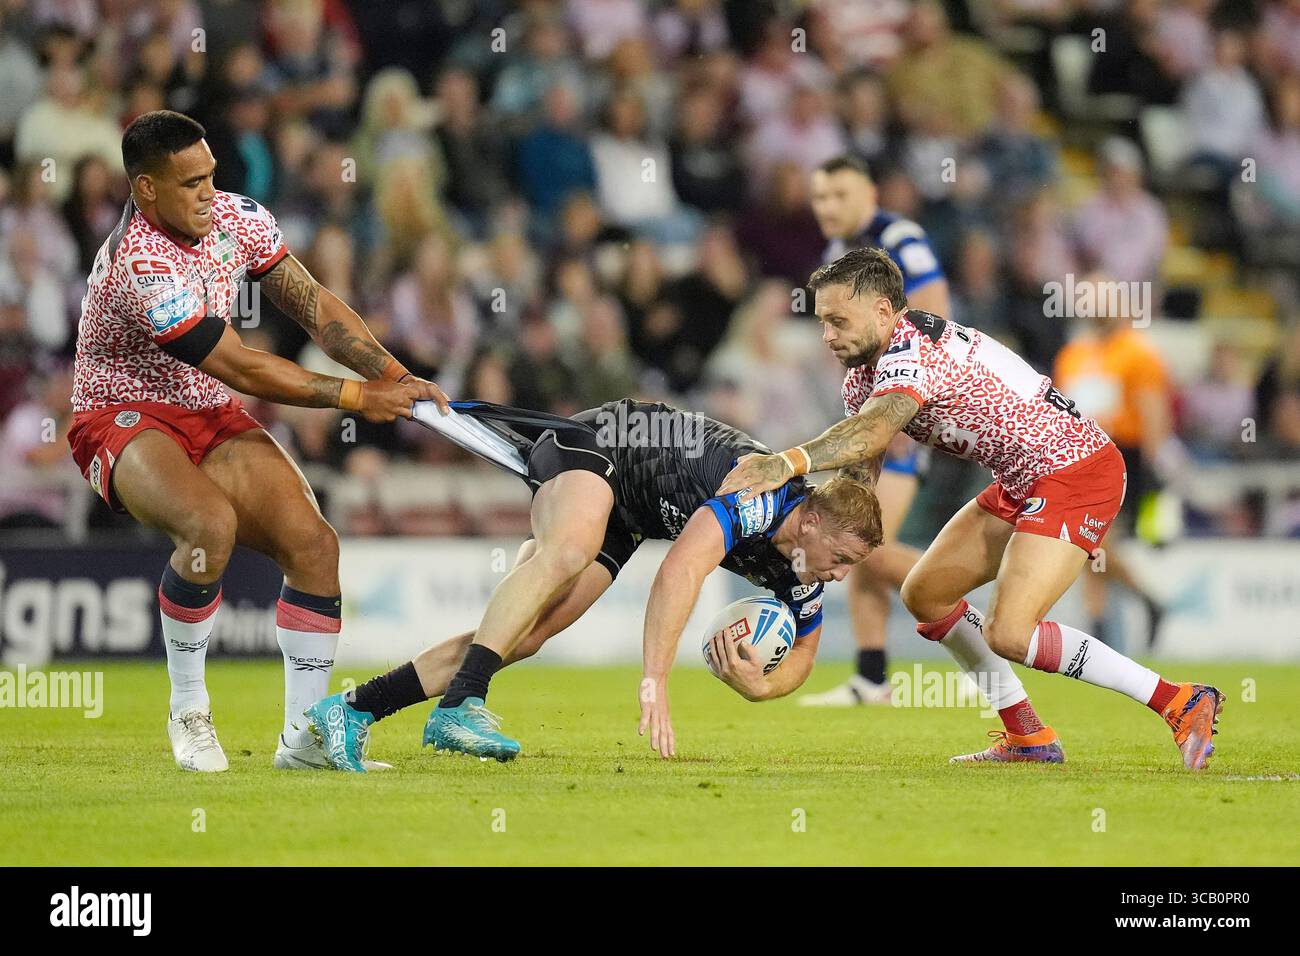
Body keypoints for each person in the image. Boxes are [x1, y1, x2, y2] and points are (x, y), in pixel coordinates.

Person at [719, 248, 1224, 770]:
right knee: (926, 593)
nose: (827, 335)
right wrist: (810, 541)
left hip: (1076, 469)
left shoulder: (910, 350)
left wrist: (786, 464)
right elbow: (858, 478)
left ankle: (1180, 700)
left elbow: (869, 431)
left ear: (884, 312)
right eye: (822, 321)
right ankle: (1028, 737)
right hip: (1021, 479)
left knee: (1010, 632)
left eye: (837, 320)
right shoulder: (861, 379)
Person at [66, 110, 448, 773]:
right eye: (190, 183)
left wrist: (395, 376)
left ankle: (302, 738)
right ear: (147, 191)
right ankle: (189, 708)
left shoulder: (239, 216)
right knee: (208, 526)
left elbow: (313, 306)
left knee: (315, 546)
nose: (208, 192)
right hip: (121, 412)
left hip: (207, 410)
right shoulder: (140, 262)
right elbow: (238, 365)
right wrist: (361, 398)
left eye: (211, 175)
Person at [303, 398, 883, 769]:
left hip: (628, 516)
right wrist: (655, 680)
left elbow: (806, 649)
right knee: (570, 549)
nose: (840, 574)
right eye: (840, 557)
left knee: (524, 635)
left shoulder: (804, 566)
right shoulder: (761, 495)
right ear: (810, 519)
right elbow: (679, 570)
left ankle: (353, 709)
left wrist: (763, 688)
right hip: (601, 444)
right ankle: (460, 703)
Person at [799, 154, 947, 707]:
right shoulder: (837, 256)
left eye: (839, 195)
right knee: (857, 539)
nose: (827, 207)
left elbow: (933, 316)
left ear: (870, 193)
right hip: (876, 407)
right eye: (819, 197)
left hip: (904, 411)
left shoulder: (901, 238)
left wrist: (899, 407)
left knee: (868, 545)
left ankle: (995, 606)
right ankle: (872, 676)